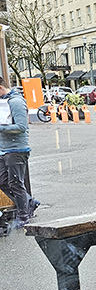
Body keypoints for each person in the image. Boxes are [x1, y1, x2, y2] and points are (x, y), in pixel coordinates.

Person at [0, 76, 39, 230]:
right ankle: (29, 202)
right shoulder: (3, 102)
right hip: (4, 149)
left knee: (16, 183)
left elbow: (21, 127)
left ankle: (24, 216)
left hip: (16, 149)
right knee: (3, 181)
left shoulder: (16, 102)